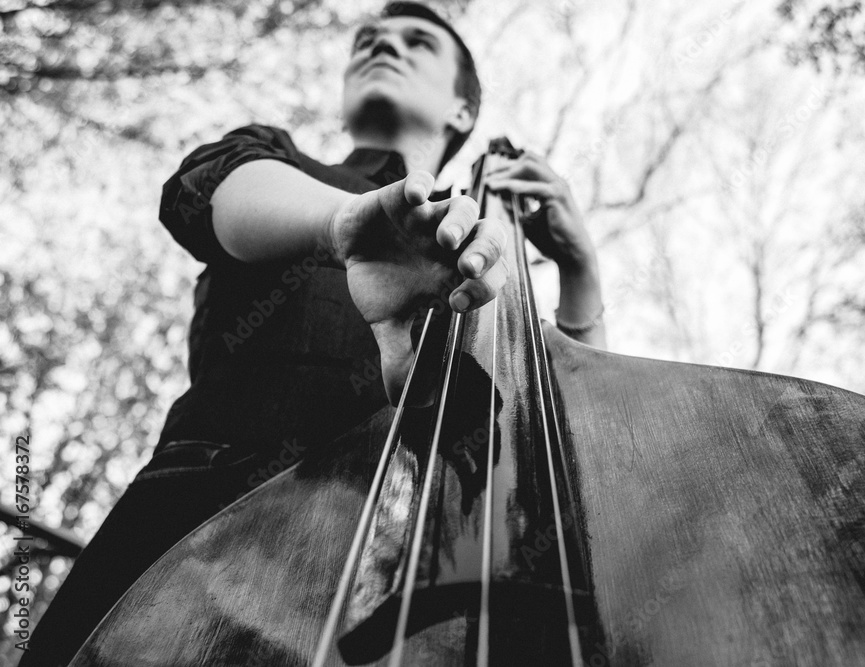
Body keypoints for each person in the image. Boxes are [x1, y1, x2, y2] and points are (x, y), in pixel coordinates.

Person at [24, 3, 604, 664]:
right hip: (199, 531)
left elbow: (578, 444)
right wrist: (342, 224)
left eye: (417, 40)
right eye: (370, 39)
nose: (383, 44)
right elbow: (207, 195)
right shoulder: (279, 165)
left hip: (427, 585)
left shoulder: (476, 256)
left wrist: (580, 271)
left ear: (462, 112)